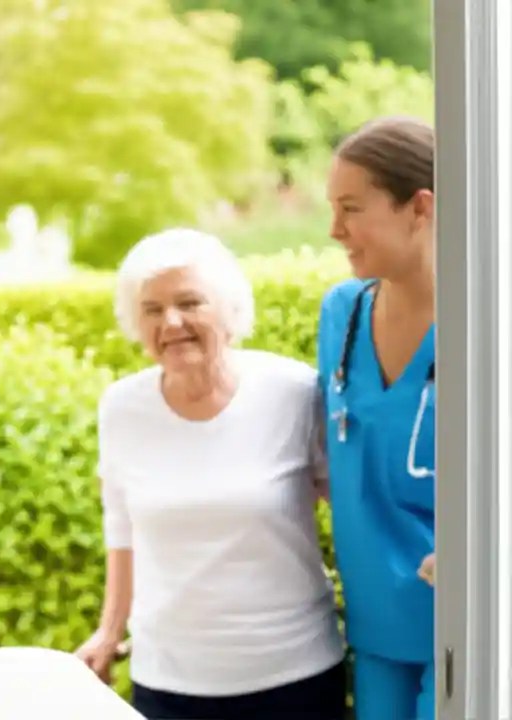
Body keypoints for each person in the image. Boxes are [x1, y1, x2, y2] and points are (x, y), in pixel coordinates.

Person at [75, 228, 347, 720]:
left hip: (294, 673)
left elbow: (350, 508)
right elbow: (120, 522)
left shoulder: (292, 391)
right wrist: (109, 630)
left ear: (230, 311)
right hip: (169, 680)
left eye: (190, 302)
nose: (171, 322)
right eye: (152, 309)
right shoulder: (121, 407)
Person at [316, 116, 436, 720]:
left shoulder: (488, 326)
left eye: (351, 208)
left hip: (461, 624)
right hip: (374, 626)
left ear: (419, 207)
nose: (335, 229)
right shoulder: (342, 314)